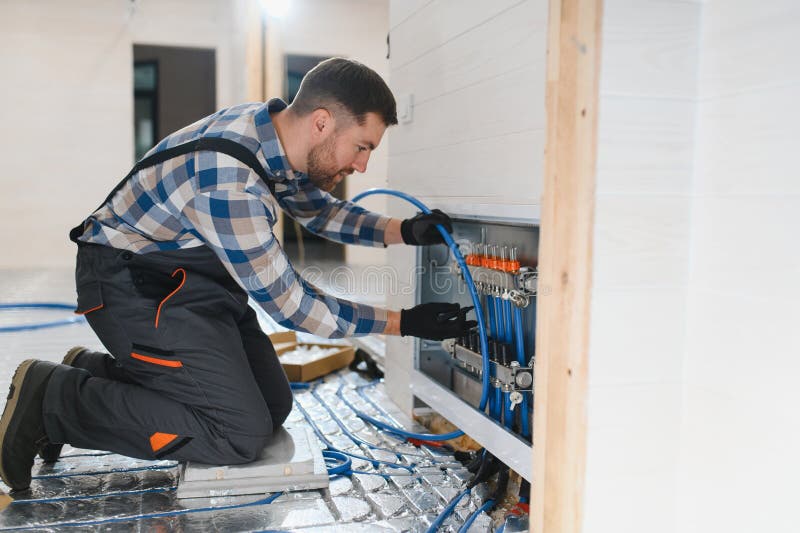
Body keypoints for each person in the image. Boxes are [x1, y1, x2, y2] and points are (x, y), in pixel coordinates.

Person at [0, 58, 475, 492]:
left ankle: (92, 372)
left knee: (272, 406)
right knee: (237, 433)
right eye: (362, 147)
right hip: (132, 287)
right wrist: (404, 324)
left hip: (183, 284)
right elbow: (293, 307)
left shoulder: (270, 133)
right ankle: (55, 399)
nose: (362, 164)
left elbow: (317, 211)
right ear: (322, 122)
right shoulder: (230, 182)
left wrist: (406, 231)